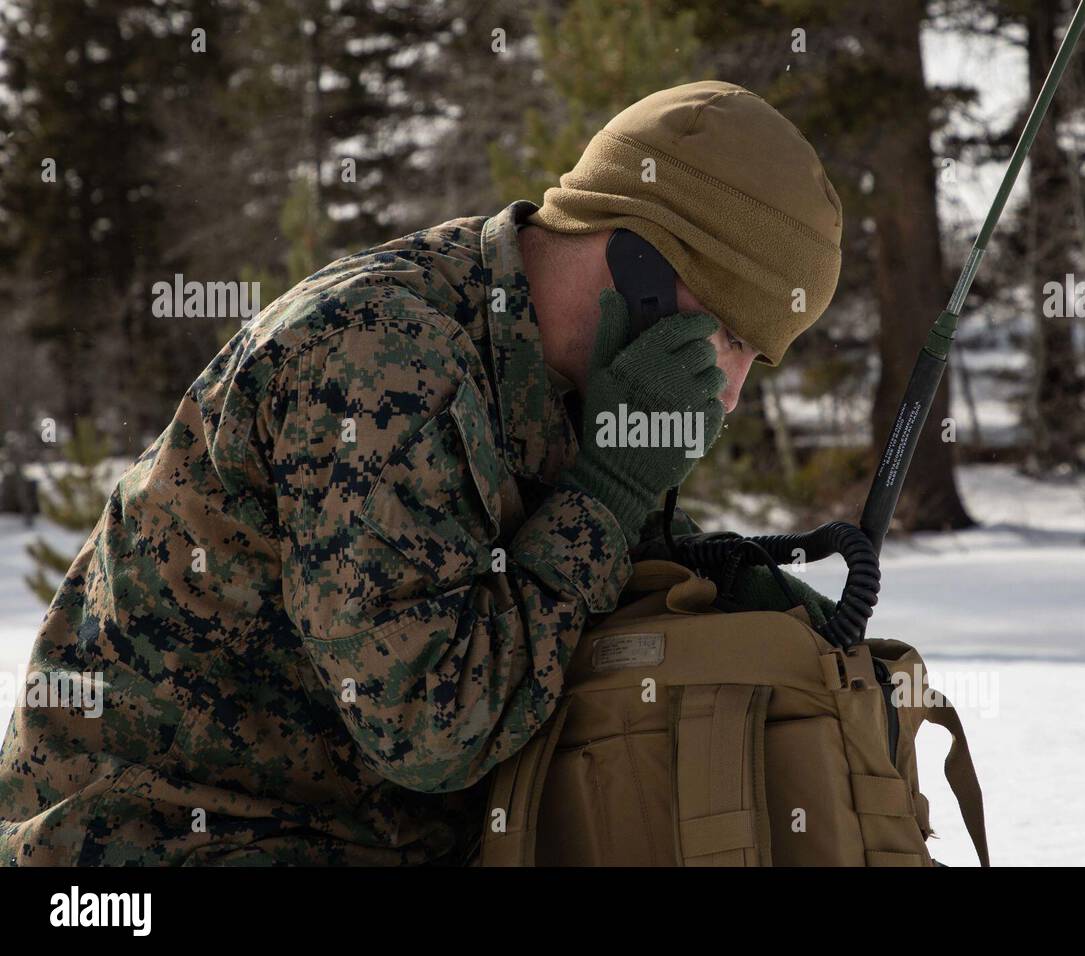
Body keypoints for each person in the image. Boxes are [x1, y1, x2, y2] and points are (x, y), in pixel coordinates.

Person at [0, 80, 842, 865]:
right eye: (730, 336)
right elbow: (432, 731)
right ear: (642, 268)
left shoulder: (556, 374)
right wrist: (612, 494)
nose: (728, 392)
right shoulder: (379, 355)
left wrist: (729, 588)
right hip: (156, 845)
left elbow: (554, 589)